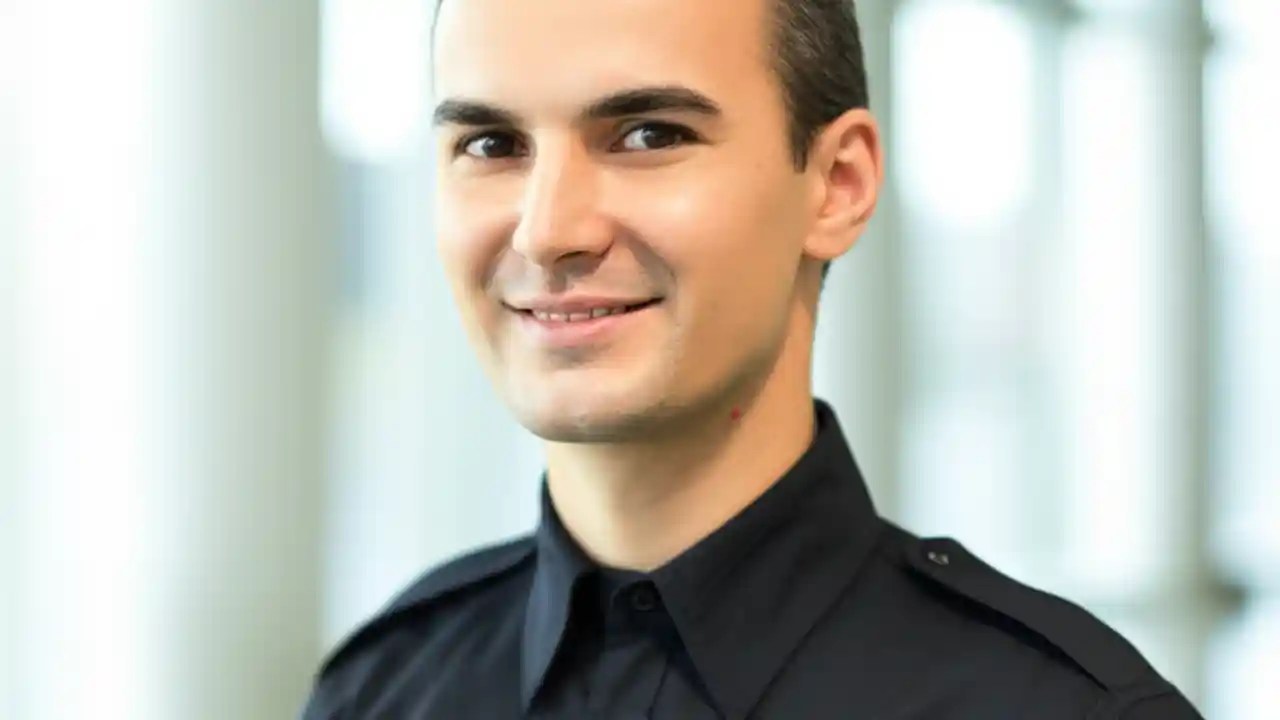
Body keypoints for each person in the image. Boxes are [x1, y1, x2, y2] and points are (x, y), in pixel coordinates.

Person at [301, 0, 1201, 717]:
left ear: (837, 185)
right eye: (492, 145)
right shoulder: (384, 687)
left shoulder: (1060, 709)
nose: (548, 231)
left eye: (648, 134)